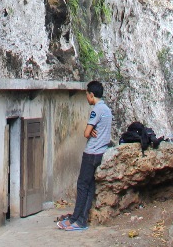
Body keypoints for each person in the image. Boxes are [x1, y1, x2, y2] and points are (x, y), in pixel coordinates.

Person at [57, 80, 112, 231]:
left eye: (87, 94)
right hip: (101, 153)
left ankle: (77, 220)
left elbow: (86, 133)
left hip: (91, 153)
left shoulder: (96, 110)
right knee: (89, 187)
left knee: (82, 186)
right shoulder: (107, 110)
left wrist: (89, 131)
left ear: (92, 95)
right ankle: (81, 219)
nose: (87, 97)